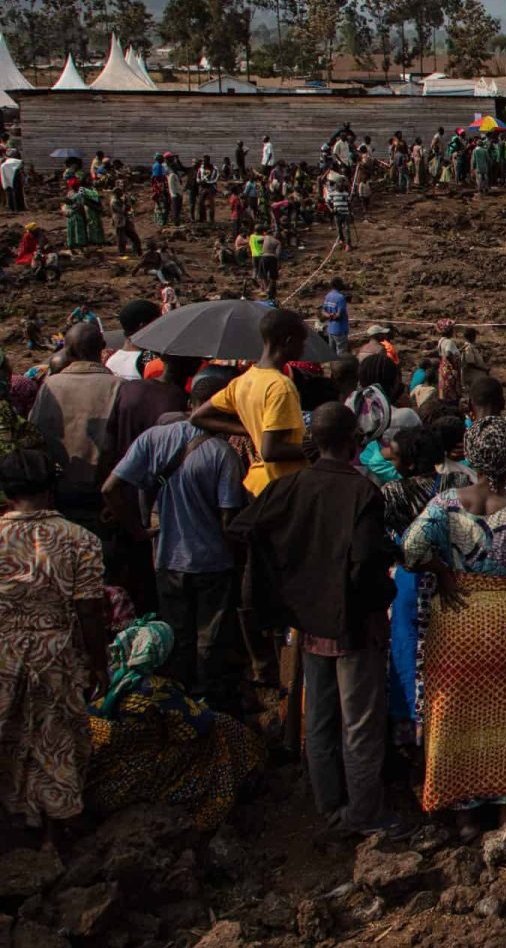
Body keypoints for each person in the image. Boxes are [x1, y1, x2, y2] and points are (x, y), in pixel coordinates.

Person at [230, 402, 395, 834]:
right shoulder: (362, 493)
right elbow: (365, 563)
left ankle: (327, 804)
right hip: (353, 623)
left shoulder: (292, 486)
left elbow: (244, 527)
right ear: (351, 440)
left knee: (319, 718)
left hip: (308, 621)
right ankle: (364, 814)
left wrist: (288, 576)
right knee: (359, 722)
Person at [401, 417, 506, 823]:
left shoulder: (445, 504)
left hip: (456, 614)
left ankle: (461, 812)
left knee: (454, 710)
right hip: (505, 617)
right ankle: (505, 808)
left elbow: (410, 551)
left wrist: (444, 570)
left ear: (472, 454)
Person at [102, 375, 248, 713]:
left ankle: (177, 703)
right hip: (214, 562)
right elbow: (228, 518)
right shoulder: (222, 454)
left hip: (167, 557)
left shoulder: (153, 438)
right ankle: (208, 706)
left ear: (189, 405)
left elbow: (111, 489)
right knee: (209, 641)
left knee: (176, 637)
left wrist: (137, 531)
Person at [0, 450, 108, 840]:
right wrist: (99, 663)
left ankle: (13, 817)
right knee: (55, 731)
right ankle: (59, 818)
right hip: (56, 652)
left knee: (8, 730)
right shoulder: (81, 540)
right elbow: (90, 612)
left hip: (3, 651)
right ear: (51, 489)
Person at [84, 618, 266, 831]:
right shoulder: (155, 690)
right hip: (130, 783)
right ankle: (214, 807)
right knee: (221, 730)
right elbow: (198, 725)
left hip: (98, 783)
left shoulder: (111, 684)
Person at [191, 310, 309, 495]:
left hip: (256, 482)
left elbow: (198, 416)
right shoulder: (281, 386)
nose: (304, 347)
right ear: (288, 341)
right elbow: (271, 451)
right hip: (280, 487)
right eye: (302, 341)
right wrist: (314, 448)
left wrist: (250, 429)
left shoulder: (243, 381)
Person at [27, 320, 123, 529]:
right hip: (105, 491)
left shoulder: (50, 386)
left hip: (60, 490)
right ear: (103, 345)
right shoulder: (119, 386)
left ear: (68, 350)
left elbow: (34, 434)